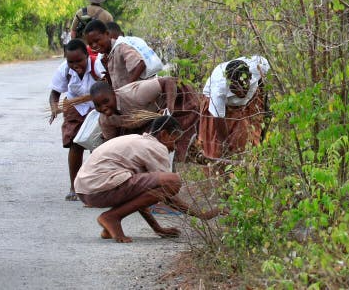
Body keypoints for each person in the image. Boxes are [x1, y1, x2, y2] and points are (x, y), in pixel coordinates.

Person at [74, 115, 221, 243]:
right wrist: (201, 215)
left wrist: (157, 229)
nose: (175, 148)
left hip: (85, 191)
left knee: (161, 183)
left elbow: (144, 195)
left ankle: (110, 224)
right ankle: (111, 217)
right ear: (164, 135)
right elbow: (168, 192)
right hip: (99, 187)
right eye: (174, 141)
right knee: (172, 181)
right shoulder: (156, 148)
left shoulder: (138, 140)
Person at [90, 78, 201, 162]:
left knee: (174, 136)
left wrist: (169, 109)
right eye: (98, 105)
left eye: (106, 101)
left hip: (172, 102)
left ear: (114, 94)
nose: (103, 108)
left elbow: (169, 82)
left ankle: (194, 152)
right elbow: (112, 143)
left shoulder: (134, 95)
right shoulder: (105, 120)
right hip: (147, 122)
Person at [48, 39, 105, 201]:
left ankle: (97, 186)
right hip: (75, 107)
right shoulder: (64, 69)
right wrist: (54, 107)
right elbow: (54, 93)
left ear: (86, 56)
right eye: (70, 61)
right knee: (75, 144)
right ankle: (75, 187)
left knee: (98, 145)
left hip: (97, 107)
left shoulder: (98, 65)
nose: (75, 65)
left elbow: (108, 85)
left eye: (79, 61)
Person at [199, 56, 270, 159]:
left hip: (248, 104)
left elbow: (262, 84)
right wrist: (225, 147)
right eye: (236, 88)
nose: (241, 91)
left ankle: (255, 155)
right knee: (218, 148)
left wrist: (262, 104)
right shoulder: (218, 91)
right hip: (225, 107)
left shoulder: (259, 65)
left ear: (250, 77)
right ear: (229, 83)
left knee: (251, 138)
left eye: (243, 87)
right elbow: (219, 121)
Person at [83, 19, 146, 89]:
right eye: (90, 44)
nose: (94, 45)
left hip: (136, 91)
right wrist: (107, 70)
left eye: (97, 40)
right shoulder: (103, 57)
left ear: (107, 34)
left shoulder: (120, 47)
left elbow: (140, 64)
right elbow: (113, 84)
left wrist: (128, 88)